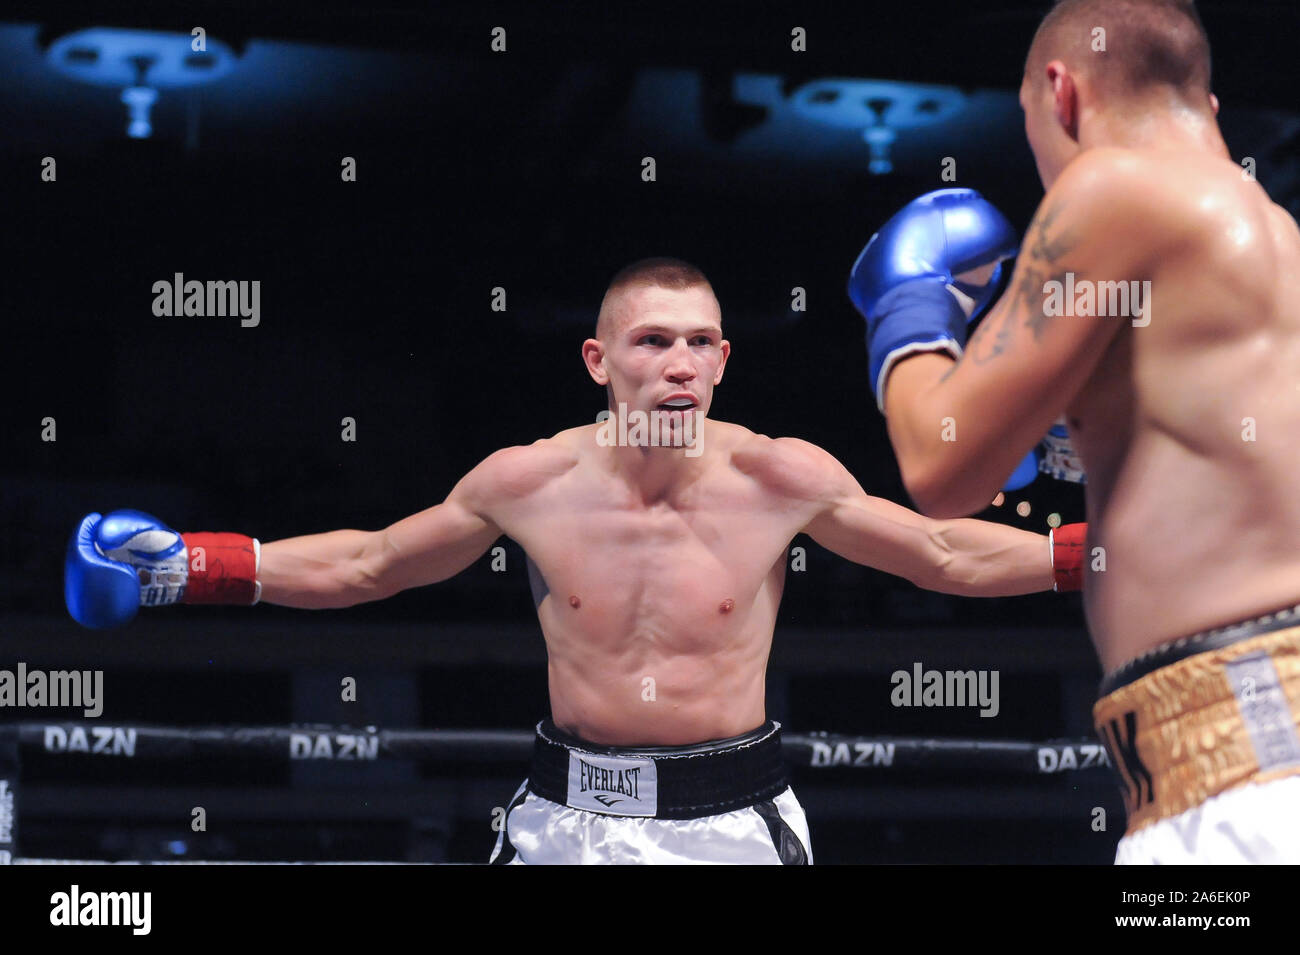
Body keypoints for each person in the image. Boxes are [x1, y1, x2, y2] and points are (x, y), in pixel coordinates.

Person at [67, 258, 1083, 864]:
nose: (677, 363)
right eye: (650, 341)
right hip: (568, 822)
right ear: (600, 361)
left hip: (731, 826)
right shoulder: (531, 479)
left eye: (698, 343)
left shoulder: (781, 476)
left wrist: (1097, 555)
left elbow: (944, 551)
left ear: (725, 359)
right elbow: (370, 564)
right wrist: (188, 566)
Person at [850, 0, 1300, 863]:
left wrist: (908, 304)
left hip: (1249, 764)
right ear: (1203, 105)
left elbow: (940, 461)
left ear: (1060, 95)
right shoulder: (1262, 230)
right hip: (1221, 758)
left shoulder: (1110, 186)